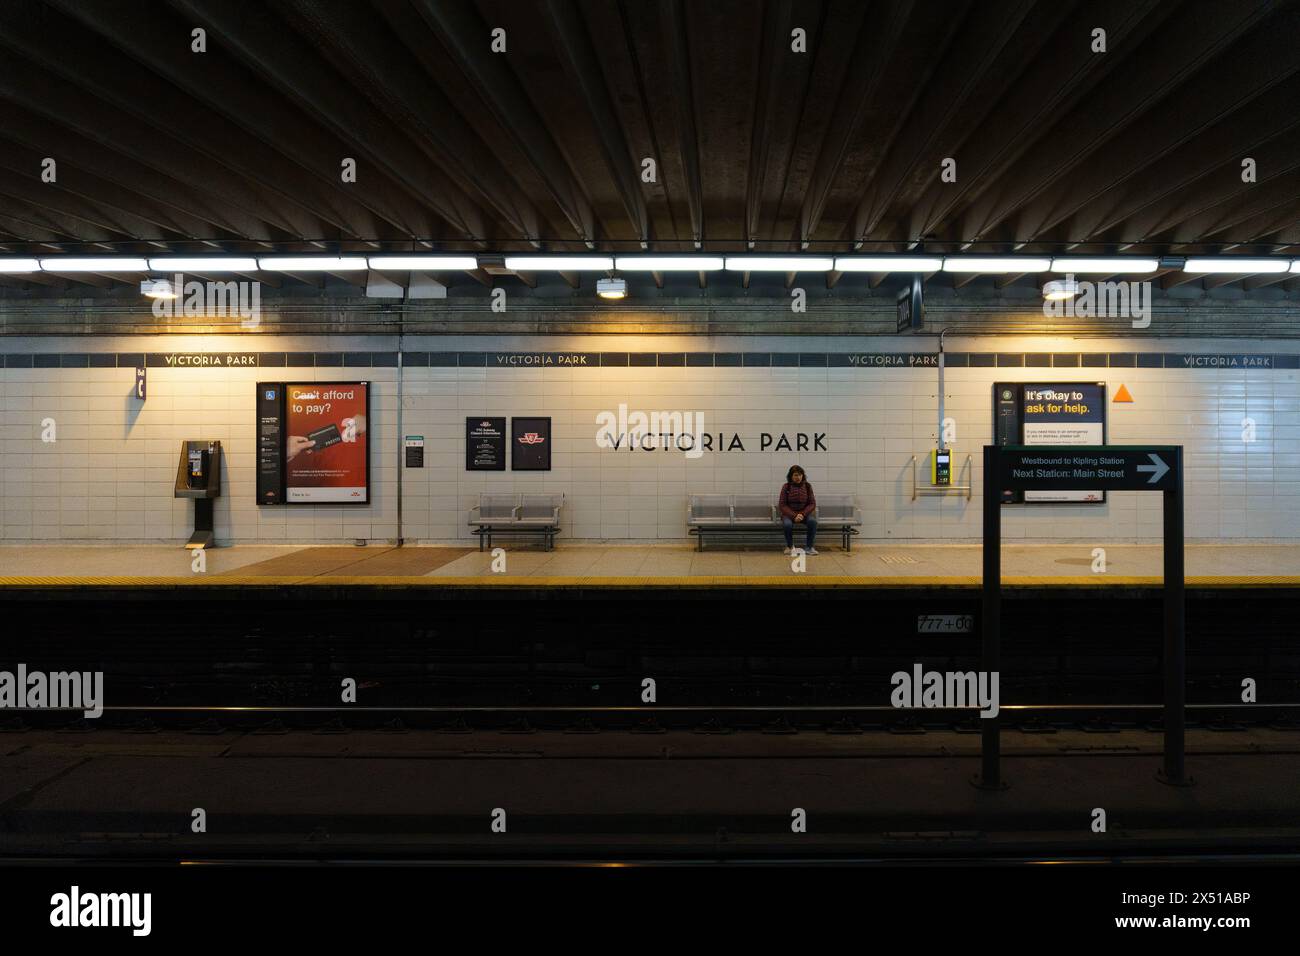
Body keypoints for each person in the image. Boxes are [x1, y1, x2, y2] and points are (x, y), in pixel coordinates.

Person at [778, 465, 818, 555]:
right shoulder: (786, 487)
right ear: (791, 476)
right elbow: (782, 505)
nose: (798, 477)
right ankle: (790, 546)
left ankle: (809, 547)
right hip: (789, 514)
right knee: (787, 525)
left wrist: (802, 514)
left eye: (800, 475)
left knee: (813, 522)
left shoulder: (807, 486)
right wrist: (794, 515)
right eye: (796, 475)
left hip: (804, 514)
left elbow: (812, 503)